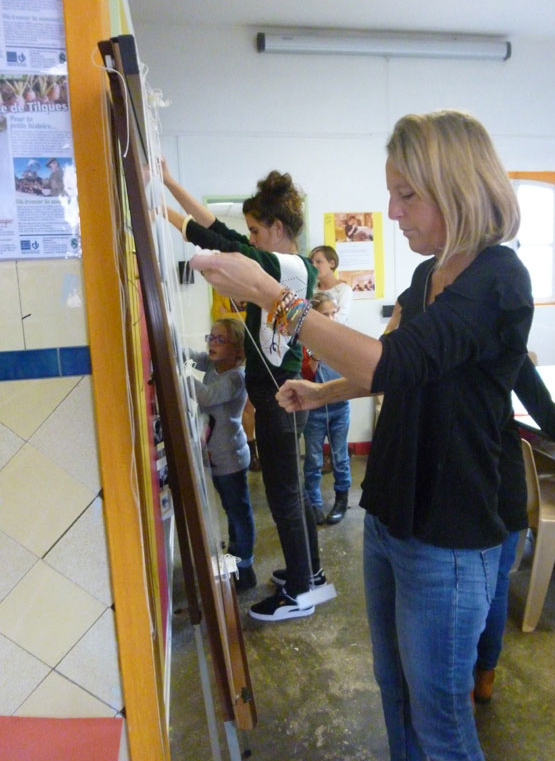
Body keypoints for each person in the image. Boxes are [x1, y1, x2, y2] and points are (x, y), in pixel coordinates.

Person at [189, 109, 534, 760]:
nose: (394, 210)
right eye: (392, 192)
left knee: (440, 720)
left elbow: (392, 363)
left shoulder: (498, 279)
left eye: (407, 194)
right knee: (394, 691)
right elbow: (395, 367)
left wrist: (275, 296)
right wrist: (322, 390)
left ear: (458, 188)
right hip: (390, 516)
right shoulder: (428, 277)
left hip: (451, 533)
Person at [162, 162, 325, 622]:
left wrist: (163, 209)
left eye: (255, 230)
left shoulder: (286, 266)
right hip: (281, 395)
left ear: (278, 228)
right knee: (291, 493)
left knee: (284, 497)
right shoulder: (289, 264)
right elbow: (219, 233)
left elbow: (216, 241)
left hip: (279, 399)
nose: (249, 239)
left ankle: (299, 590)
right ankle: (309, 572)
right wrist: (172, 183)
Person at [474, 337, 555, 702]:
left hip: (460, 478)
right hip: (501, 480)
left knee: (463, 585)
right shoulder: (504, 344)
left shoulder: (441, 339)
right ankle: (484, 676)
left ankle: (466, 678)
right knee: (494, 585)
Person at [187, 318, 256, 592]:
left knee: (238, 511)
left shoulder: (235, 378)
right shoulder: (215, 365)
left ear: (237, 349)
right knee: (231, 509)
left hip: (231, 457)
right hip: (218, 456)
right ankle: (236, 558)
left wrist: (177, 375)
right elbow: (193, 357)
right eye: (211, 337)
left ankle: (245, 567)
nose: (211, 344)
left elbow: (206, 396)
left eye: (220, 340)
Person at [300, 292, 352, 525]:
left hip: (340, 408)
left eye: (333, 313)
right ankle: (314, 503)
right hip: (314, 411)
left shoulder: (344, 338)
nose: (330, 318)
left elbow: (354, 368)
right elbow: (304, 375)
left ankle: (342, 498)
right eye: (324, 314)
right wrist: (315, 357)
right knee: (313, 459)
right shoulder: (303, 342)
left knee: (340, 456)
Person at [210, 290, 260, 471]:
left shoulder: (252, 289)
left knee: (250, 405)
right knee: (232, 404)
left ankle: (252, 448)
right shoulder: (220, 290)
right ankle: (243, 448)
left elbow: (255, 318)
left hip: (252, 350)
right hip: (230, 354)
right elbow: (217, 315)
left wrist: (229, 315)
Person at [310, 245, 352, 325]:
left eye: (318, 262)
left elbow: (338, 320)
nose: (314, 266)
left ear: (332, 264)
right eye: (312, 263)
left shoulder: (344, 290)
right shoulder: (311, 289)